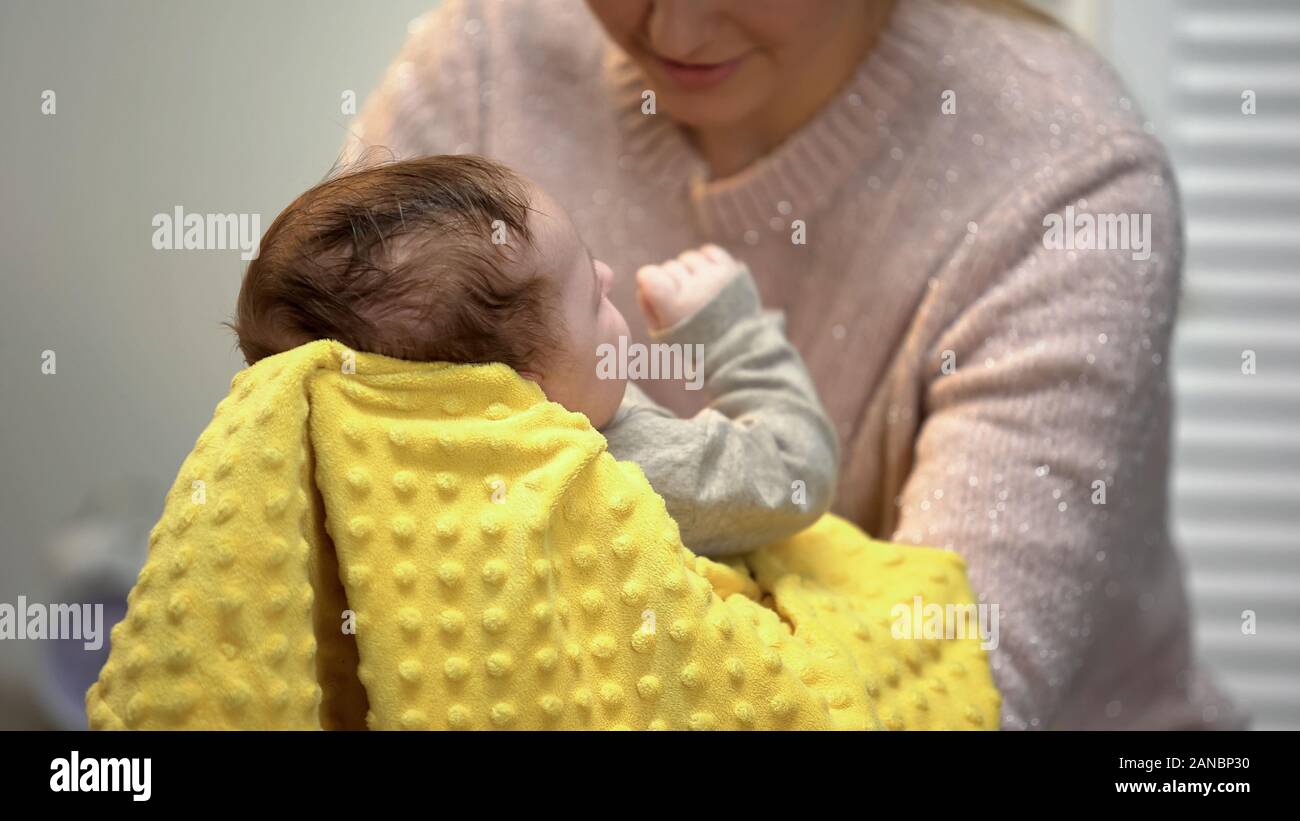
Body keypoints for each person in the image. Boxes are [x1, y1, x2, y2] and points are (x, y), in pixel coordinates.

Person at [341, 0, 1242, 729]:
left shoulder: (1070, 178)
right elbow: (330, 438)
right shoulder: (483, 56)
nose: (675, 31)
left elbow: (952, 688)